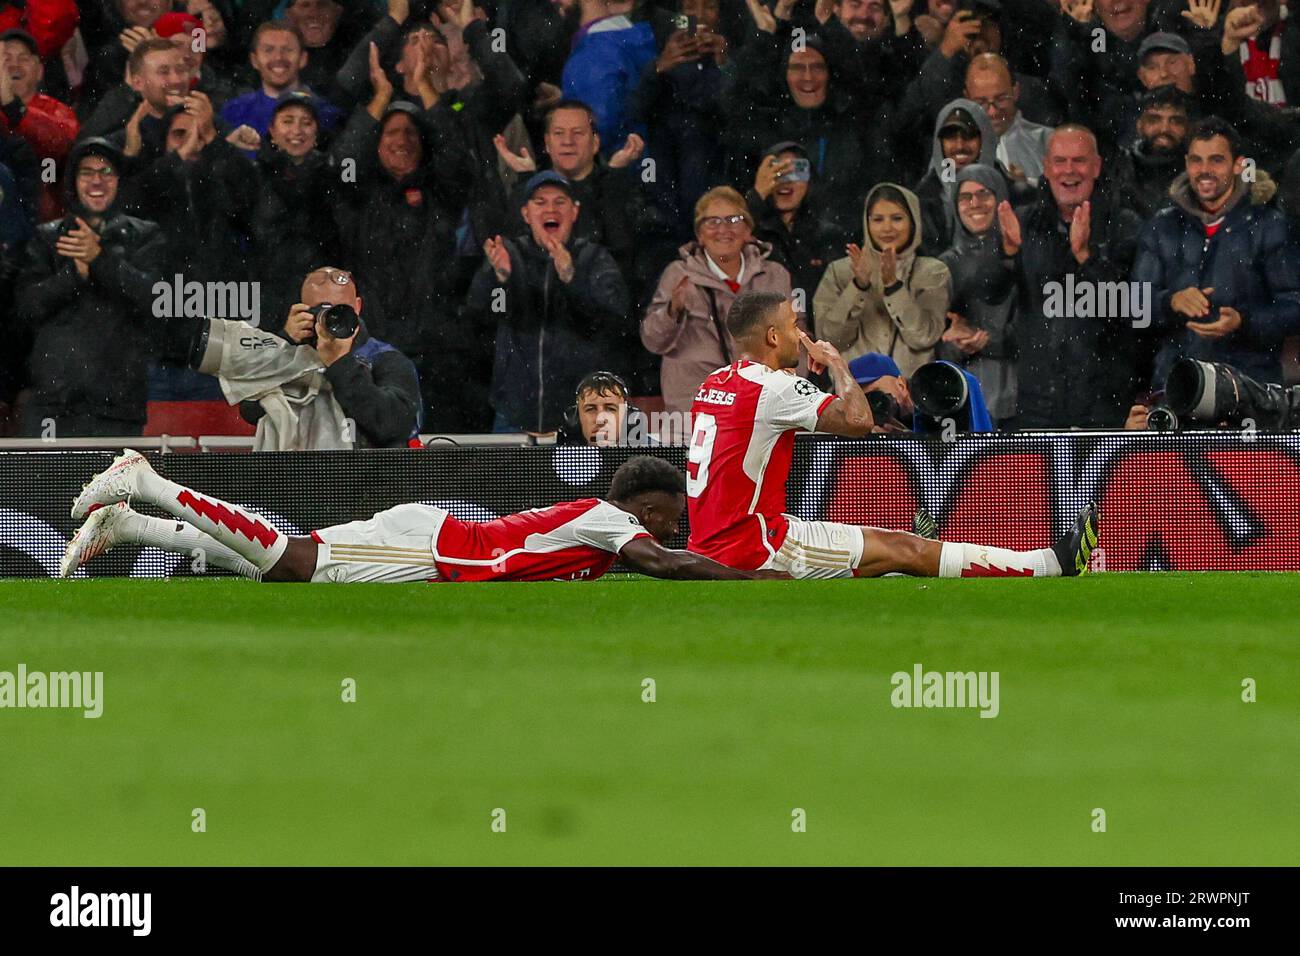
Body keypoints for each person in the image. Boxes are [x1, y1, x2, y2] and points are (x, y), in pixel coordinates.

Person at [685, 290, 1097, 577]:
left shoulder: (713, 383)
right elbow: (859, 422)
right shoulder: (774, 388)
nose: (803, 335)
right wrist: (836, 363)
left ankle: (894, 571)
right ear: (773, 337)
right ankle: (1049, 563)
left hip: (711, 543)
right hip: (757, 547)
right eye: (795, 326)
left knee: (885, 554)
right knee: (905, 549)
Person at [61, 452, 779, 582]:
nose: (673, 531)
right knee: (290, 561)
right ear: (642, 507)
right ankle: (147, 481)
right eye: (669, 518)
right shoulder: (607, 520)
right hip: (433, 554)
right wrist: (759, 585)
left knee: (283, 566)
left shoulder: (593, 530)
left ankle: (130, 526)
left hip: (427, 542)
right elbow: (667, 564)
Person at [13, 138, 167, 437]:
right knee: (49, 486)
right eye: (87, 172)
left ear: (119, 181)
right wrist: (75, 273)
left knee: (116, 486)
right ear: (73, 181)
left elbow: (153, 299)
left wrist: (99, 259)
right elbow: (27, 307)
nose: (97, 180)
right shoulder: (47, 238)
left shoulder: (145, 236)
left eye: (106, 171)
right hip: (53, 404)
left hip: (118, 405)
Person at [1132, 116, 1300, 389]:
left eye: (1216, 160)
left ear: (1238, 165)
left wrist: (1243, 321)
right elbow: (1134, 305)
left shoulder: (1270, 225)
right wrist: (1170, 302)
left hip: (1250, 389)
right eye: (1196, 160)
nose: (1204, 170)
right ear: (1186, 163)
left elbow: (1294, 306)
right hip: (1177, 388)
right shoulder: (1162, 226)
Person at [1000, 124, 1143, 429]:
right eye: (1060, 161)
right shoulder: (1022, 223)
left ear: (1096, 166)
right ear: (1046, 167)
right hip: (1035, 403)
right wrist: (1008, 256)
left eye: (1079, 160)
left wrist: (1085, 258)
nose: (1069, 170)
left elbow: (1133, 310)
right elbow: (991, 295)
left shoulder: (1125, 224)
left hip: (1105, 403)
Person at [469, 170, 631, 433]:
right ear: (525, 213)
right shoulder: (509, 254)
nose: (550, 209)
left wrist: (571, 278)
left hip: (578, 415)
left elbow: (613, 318)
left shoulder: (593, 258)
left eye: (560, 201)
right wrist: (500, 281)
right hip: (515, 412)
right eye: (540, 202)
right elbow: (480, 314)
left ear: (574, 212)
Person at [641, 185, 796, 413]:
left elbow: (796, 342)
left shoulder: (774, 276)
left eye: (734, 220)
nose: (723, 229)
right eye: (712, 221)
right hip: (696, 409)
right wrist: (673, 311)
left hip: (764, 406)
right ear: (699, 235)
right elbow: (652, 340)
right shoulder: (678, 275)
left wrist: (785, 392)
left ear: (748, 231)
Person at [813, 182, 950, 372]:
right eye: (878, 219)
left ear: (914, 221)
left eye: (897, 218)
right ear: (866, 223)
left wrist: (894, 286)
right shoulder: (840, 271)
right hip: (854, 391)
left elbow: (924, 336)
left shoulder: (933, 271)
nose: (887, 228)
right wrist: (858, 286)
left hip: (913, 393)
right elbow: (831, 340)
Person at [937, 163, 1017, 426]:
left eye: (984, 194)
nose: (975, 203)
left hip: (1021, 393)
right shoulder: (945, 264)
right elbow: (937, 343)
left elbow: (1036, 327)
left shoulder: (1021, 254)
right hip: (964, 397)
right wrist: (955, 344)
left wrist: (989, 342)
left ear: (1001, 198)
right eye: (965, 196)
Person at [0, 28, 78, 221]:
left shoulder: (58, 111)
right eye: (5, 59)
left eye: (23, 58)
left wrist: (13, 106)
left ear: (39, 71)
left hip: (45, 221)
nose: (13, 66)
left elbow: (57, 146)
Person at [219, 20, 342, 136]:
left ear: (303, 59)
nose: (278, 57)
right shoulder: (233, 111)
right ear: (254, 60)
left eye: (287, 50)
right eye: (268, 50)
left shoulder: (325, 114)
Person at [556, 370, 659, 446]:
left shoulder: (656, 457)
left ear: (627, 417)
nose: (600, 420)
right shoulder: (558, 460)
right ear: (576, 419)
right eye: (590, 409)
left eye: (610, 409)